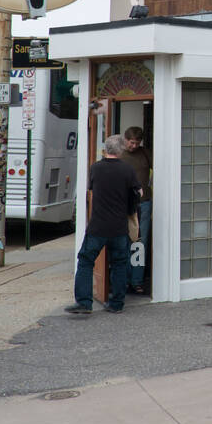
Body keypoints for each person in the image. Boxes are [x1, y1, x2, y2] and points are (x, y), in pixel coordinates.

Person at [66, 135, 141, 315]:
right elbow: (139, 191)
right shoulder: (128, 170)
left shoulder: (96, 168)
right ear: (121, 150)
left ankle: (84, 302)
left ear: (106, 149)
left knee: (85, 261)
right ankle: (117, 303)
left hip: (98, 225)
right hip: (119, 226)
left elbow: (91, 189)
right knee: (119, 264)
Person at [122, 126, 153, 296]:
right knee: (125, 242)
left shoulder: (145, 153)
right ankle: (125, 280)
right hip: (126, 205)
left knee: (141, 242)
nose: (134, 146)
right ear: (125, 139)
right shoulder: (120, 155)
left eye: (137, 143)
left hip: (144, 202)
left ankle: (137, 281)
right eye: (131, 142)